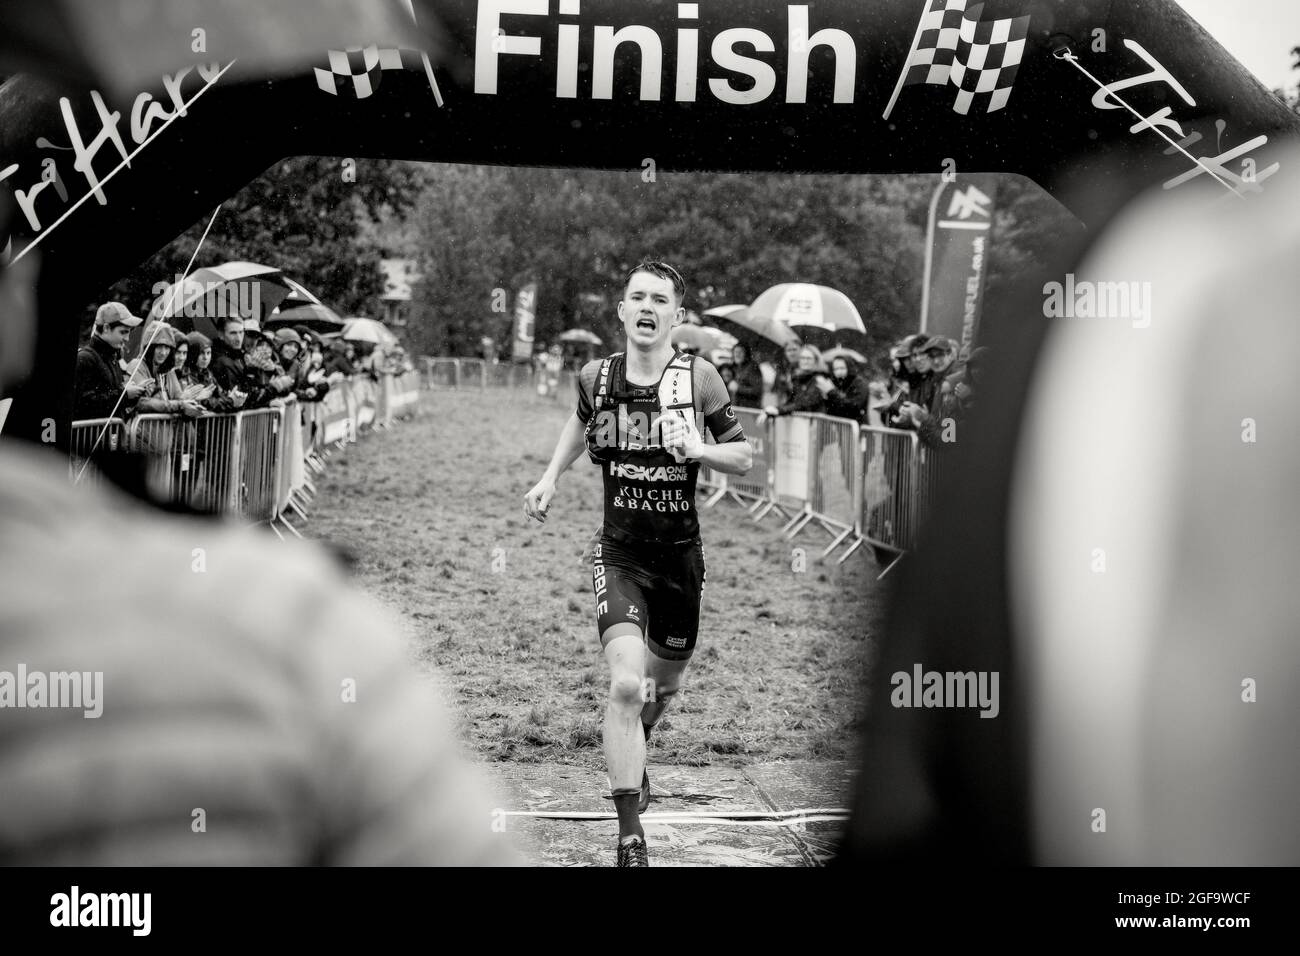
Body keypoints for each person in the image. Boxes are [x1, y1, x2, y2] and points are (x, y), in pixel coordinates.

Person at [522, 259, 753, 867]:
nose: (647, 307)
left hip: (680, 558)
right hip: (619, 552)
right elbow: (580, 422)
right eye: (636, 297)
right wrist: (549, 478)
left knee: (664, 682)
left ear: (677, 315)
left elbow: (746, 456)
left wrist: (699, 447)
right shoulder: (597, 377)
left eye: (660, 299)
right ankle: (630, 834)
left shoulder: (699, 378)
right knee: (626, 682)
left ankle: (637, 742)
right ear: (622, 311)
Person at [73, 302, 149, 421]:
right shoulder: (85, 358)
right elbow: (83, 403)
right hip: (91, 438)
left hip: (111, 435)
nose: (127, 338)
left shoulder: (112, 357)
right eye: (123, 332)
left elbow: (111, 398)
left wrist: (131, 393)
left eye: (129, 332)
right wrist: (124, 394)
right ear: (106, 328)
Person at [758, 344, 830, 420]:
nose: (805, 361)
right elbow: (791, 401)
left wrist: (779, 410)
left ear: (816, 360)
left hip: (816, 423)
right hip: (801, 423)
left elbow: (806, 403)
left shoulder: (820, 379)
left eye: (808, 358)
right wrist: (772, 411)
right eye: (802, 358)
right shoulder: (798, 378)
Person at [823, 355, 871, 424]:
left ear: (849, 368)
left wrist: (832, 392)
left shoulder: (859, 383)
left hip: (857, 424)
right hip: (839, 424)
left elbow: (854, 406)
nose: (839, 372)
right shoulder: (835, 382)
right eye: (836, 369)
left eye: (842, 368)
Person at [729, 342, 765, 409]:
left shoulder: (752, 367)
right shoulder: (735, 367)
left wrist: (738, 388)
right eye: (735, 352)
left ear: (746, 354)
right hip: (737, 408)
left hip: (749, 409)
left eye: (740, 352)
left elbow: (757, 390)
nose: (737, 354)